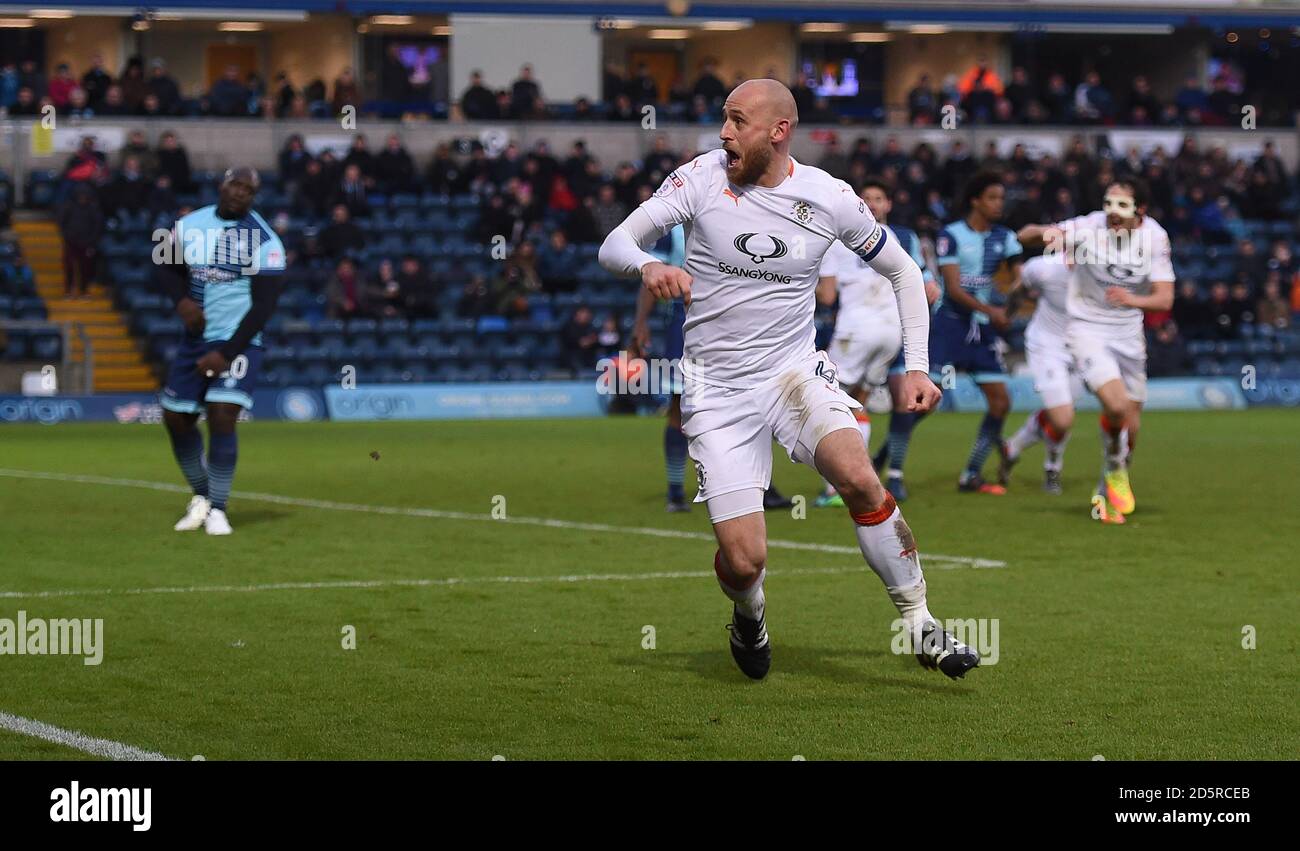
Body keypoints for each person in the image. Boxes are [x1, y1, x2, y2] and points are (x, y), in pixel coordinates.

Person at [598, 78, 977, 682]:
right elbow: (615, 242)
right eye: (724, 118)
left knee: (859, 477)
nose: (725, 132)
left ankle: (919, 622)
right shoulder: (700, 179)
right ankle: (749, 615)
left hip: (792, 374)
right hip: (716, 390)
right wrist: (647, 263)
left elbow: (905, 273)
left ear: (778, 131)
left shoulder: (828, 196)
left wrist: (917, 368)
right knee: (745, 562)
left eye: (738, 120)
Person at [1018, 178, 1175, 517]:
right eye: (1109, 204)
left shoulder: (1155, 237)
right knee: (1116, 407)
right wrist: (1047, 234)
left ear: (1140, 210)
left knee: (1131, 426)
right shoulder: (1088, 226)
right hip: (1086, 330)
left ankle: (1107, 488)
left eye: (1122, 206)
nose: (1112, 213)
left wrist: (1130, 299)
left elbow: (1165, 297)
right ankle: (1116, 469)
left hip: (1129, 336)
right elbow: (1024, 235)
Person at [157, 168, 287, 535]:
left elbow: (264, 307)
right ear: (222, 185)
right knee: (175, 419)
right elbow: (163, 266)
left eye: (249, 189)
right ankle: (202, 496)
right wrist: (181, 301)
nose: (240, 193)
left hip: (238, 340)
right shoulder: (188, 225)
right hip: (196, 339)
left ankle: (218, 508)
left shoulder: (265, 241)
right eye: (236, 185)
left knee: (222, 414)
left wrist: (228, 353)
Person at [814, 178, 939, 507]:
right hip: (891, 332)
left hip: (856, 331)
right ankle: (867, 476)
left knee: (830, 406)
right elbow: (916, 280)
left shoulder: (834, 239)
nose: (871, 203)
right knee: (860, 404)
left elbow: (826, 296)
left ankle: (838, 488)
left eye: (877, 198)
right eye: (865, 198)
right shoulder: (893, 237)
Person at [929, 171, 1023, 494]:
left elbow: (1019, 280)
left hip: (982, 332)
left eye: (1002, 198)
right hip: (950, 326)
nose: (1000, 204)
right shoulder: (951, 235)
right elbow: (953, 289)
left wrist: (1010, 308)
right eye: (993, 197)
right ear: (976, 200)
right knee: (925, 400)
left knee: (1000, 402)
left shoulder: (1005, 237)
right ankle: (887, 461)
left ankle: (971, 473)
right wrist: (993, 311)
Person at [998, 253, 1081, 494]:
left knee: (1061, 413)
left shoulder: (1103, 269)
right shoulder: (1044, 267)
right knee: (1063, 418)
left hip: (1081, 347)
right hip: (1047, 345)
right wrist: (1007, 315)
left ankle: (1012, 447)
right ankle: (1052, 469)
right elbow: (1019, 289)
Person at [58, 184, 103, 299]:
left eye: (84, 196)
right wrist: (68, 236)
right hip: (71, 242)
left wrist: (91, 241)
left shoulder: (92, 209)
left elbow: (97, 226)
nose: (82, 198)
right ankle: (68, 290)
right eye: (80, 195)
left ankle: (84, 291)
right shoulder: (69, 207)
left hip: (86, 243)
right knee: (69, 267)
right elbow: (62, 223)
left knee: (85, 268)